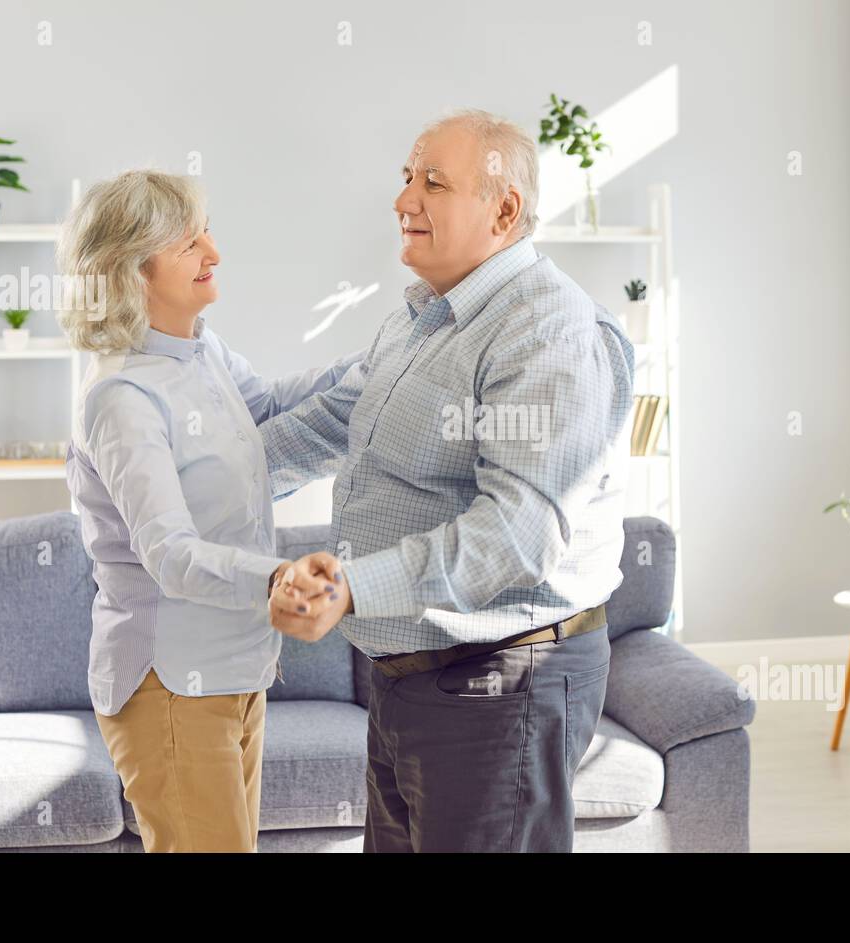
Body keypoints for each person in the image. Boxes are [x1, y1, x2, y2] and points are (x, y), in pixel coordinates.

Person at [261, 111, 635, 852]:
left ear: (504, 210)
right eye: (406, 178)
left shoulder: (548, 331)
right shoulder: (424, 319)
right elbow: (327, 418)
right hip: (410, 679)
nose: (404, 199)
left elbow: (517, 537)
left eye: (434, 182)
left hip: (500, 683)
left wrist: (352, 588)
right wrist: (192, 470)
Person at [57, 170, 356, 852]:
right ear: (130, 269)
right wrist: (277, 575)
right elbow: (170, 553)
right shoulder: (121, 395)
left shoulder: (200, 349)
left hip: (235, 671)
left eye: (206, 232)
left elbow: (274, 407)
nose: (214, 252)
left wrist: (384, 364)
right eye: (190, 243)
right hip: (171, 688)